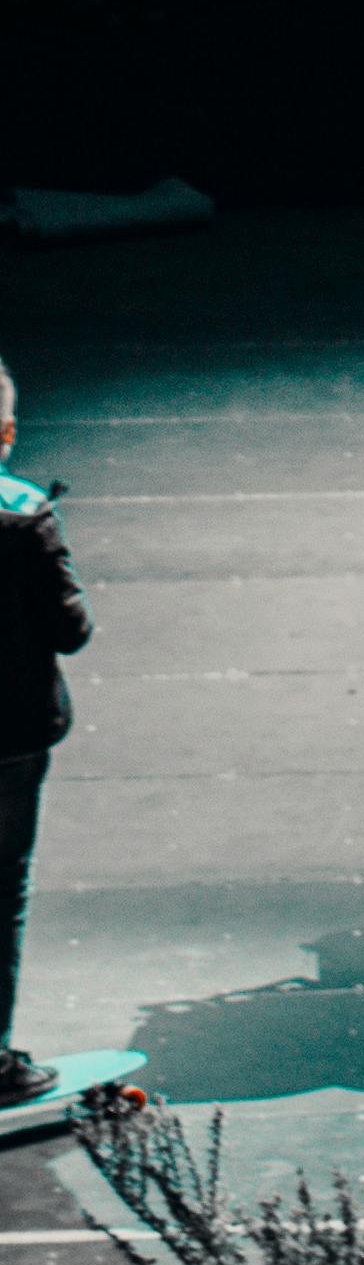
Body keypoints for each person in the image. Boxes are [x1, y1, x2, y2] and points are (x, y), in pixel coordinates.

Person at [0, 355, 91, 1117]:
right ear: (5, 433)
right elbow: (71, 630)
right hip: (9, 730)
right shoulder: (23, 515)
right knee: (1, 893)